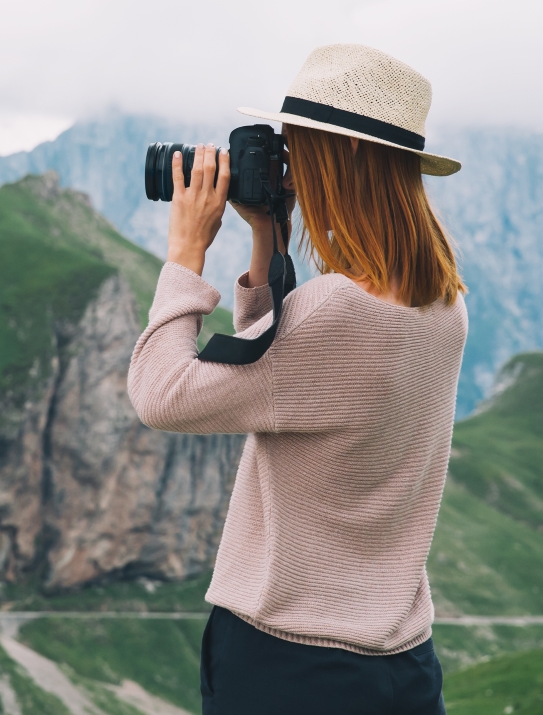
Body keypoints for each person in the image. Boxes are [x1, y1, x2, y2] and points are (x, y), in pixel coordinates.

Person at [127, 43, 467, 715]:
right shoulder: (444, 301)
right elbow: (283, 374)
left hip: (290, 663)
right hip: (401, 664)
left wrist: (185, 251)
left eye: (298, 148)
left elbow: (161, 396)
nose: (286, 165)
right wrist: (269, 239)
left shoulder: (338, 310)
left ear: (338, 161)